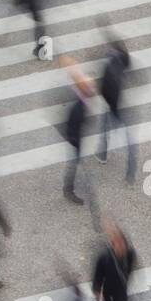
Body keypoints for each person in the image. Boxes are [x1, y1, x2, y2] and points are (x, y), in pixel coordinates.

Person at [95, 32, 135, 182]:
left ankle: (103, 154)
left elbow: (103, 88)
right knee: (129, 138)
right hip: (120, 102)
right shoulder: (123, 58)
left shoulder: (109, 67)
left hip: (113, 104)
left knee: (104, 127)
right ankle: (130, 172)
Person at [60, 58, 93, 205]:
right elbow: (71, 126)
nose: (92, 89)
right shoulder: (78, 107)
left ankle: (70, 187)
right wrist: (74, 141)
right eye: (90, 87)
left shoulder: (82, 100)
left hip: (77, 137)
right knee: (74, 163)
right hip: (75, 138)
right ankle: (68, 190)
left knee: (75, 162)